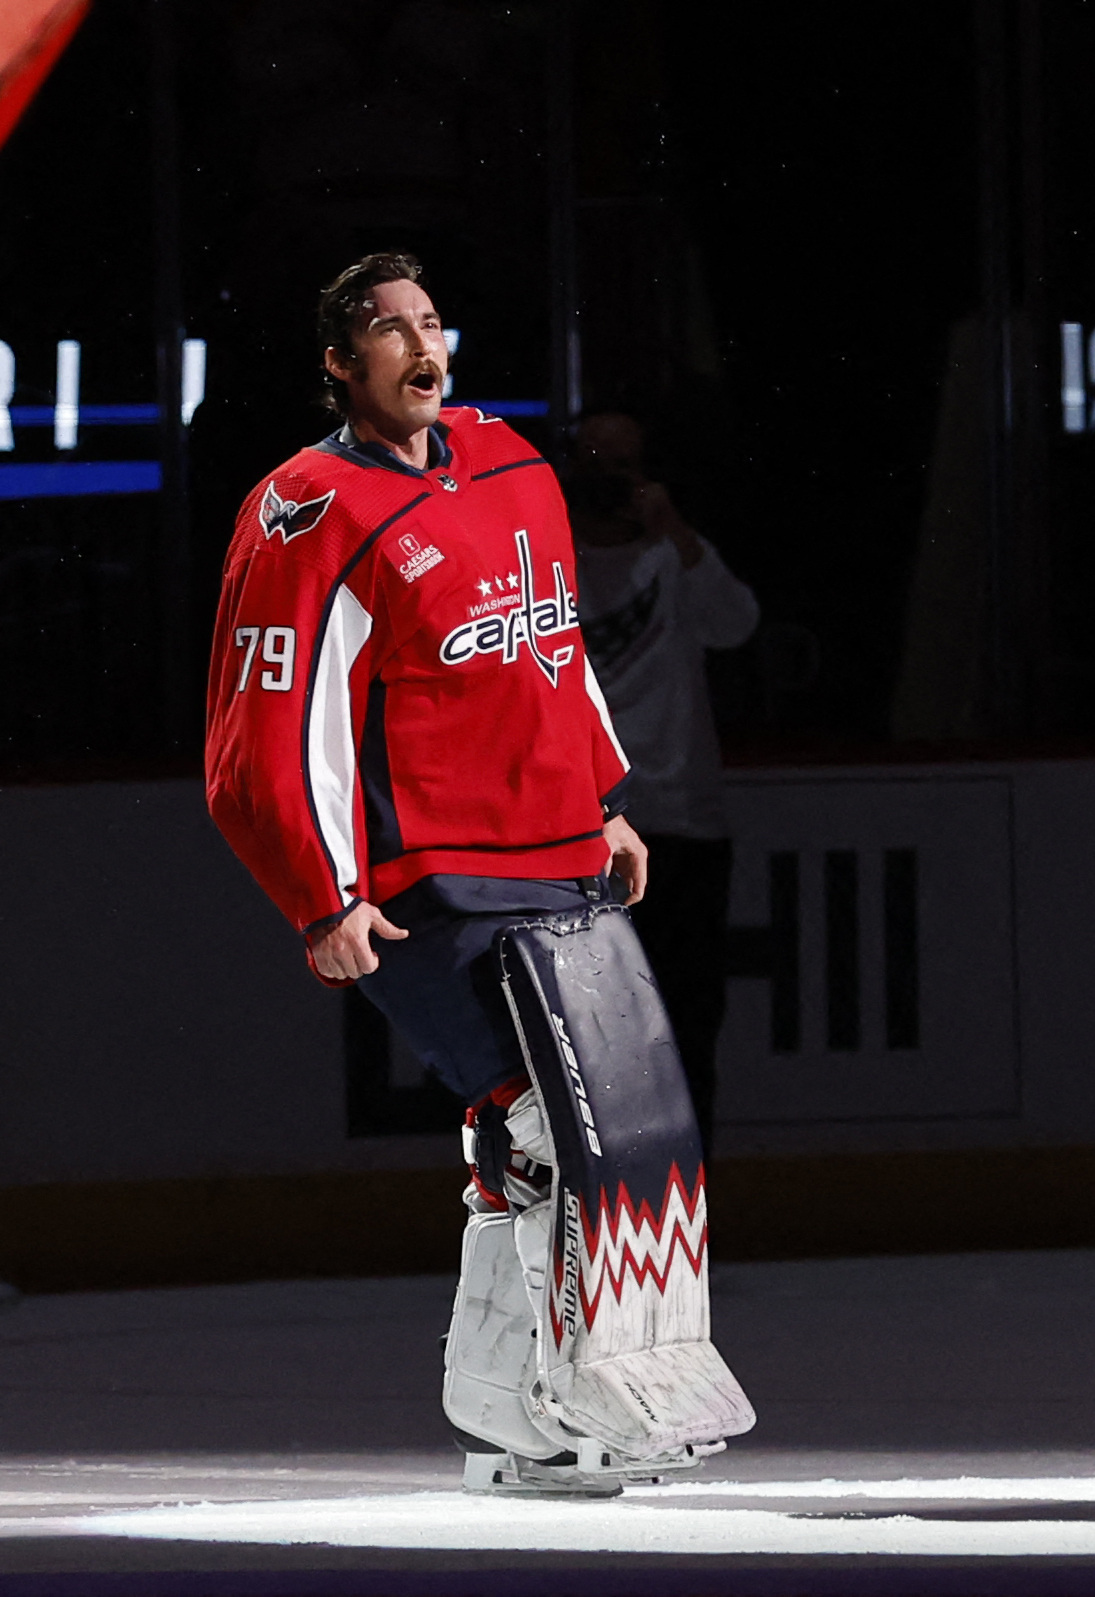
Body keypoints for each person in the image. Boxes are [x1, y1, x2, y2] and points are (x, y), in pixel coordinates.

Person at [203, 252, 751, 1494]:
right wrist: (321, 892)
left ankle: (517, 1404)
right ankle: (546, 1402)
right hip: (426, 876)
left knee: (612, 1127)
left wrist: (605, 797)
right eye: (388, 330)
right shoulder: (308, 510)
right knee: (542, 1116)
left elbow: (551, 643)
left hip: (558, 858)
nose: (421, 344)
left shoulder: (512, 467)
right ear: (341, 366)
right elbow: (266, 731)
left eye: (433, 321)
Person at [565, 411, 760, 1154]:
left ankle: (686, 1209)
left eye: (625, 466)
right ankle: (601, 1203)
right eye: (595, 465)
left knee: (685, 1025)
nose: (610, 481)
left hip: (682, 821)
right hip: (581, 831)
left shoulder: (675, 561)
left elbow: (735, 622)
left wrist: (674, 530)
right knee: (590, 1036)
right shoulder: (549, 564)